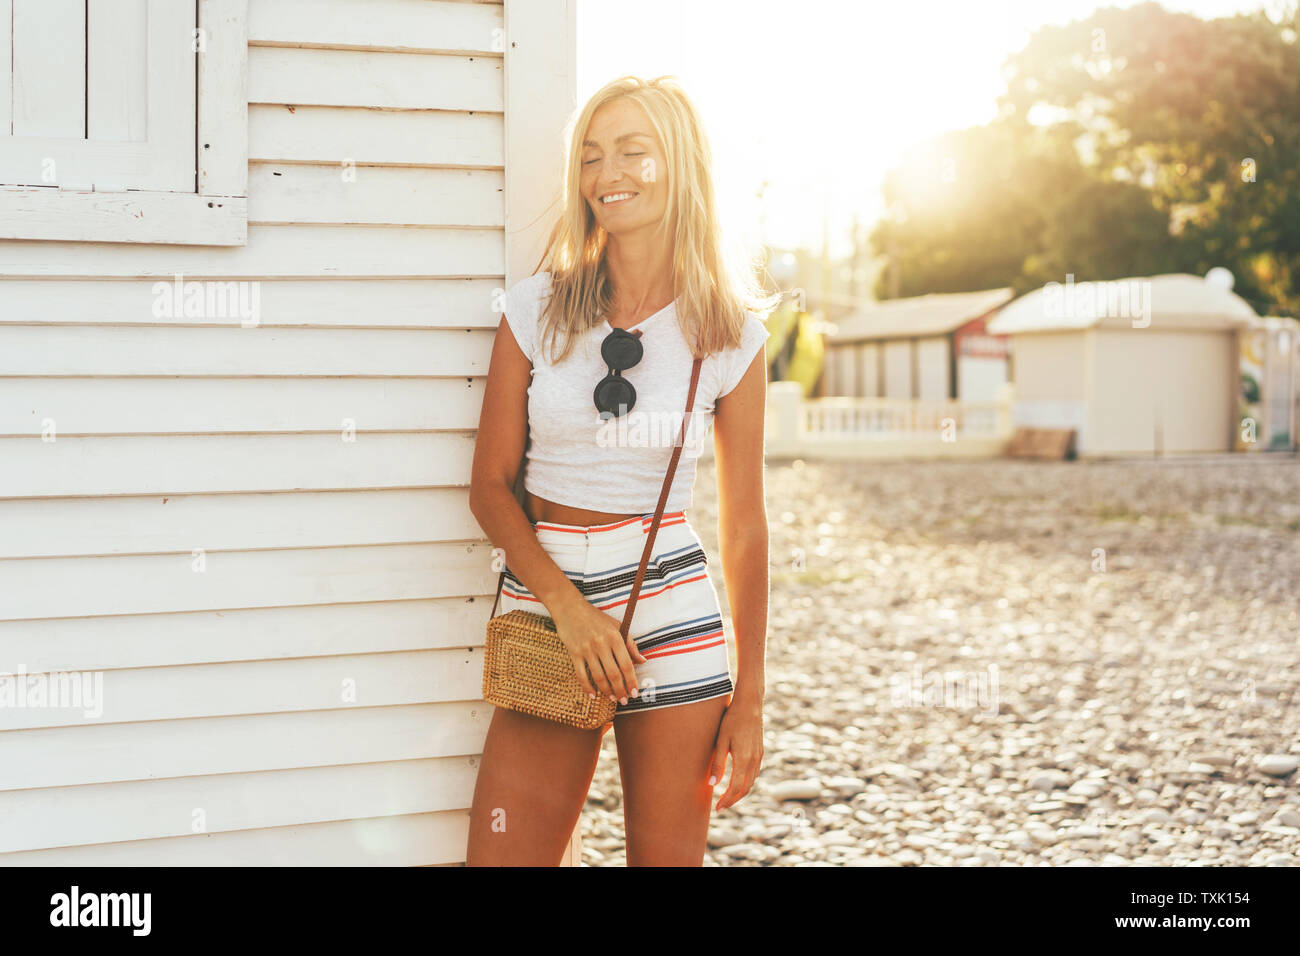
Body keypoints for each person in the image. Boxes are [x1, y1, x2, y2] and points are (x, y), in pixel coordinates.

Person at [466, 75, 775, 867]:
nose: (610, 175)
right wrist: (569, 610)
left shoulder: (730, 331)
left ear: (681, 166)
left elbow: (743, 525)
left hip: (672, 601)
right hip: (549, 602)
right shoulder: (535, 310)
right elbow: (491, 487)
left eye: (635, 152)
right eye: (593, 156)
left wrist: (751, 696)